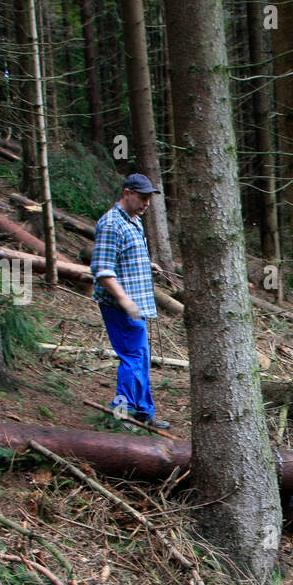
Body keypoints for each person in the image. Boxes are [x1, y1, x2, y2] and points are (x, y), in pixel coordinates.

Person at [90, 173, 170, 430]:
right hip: (120, 305)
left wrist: (147, 265)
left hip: (138, 303)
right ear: (127, 193)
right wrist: (124, 300)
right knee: (133, 358)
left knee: (142, 357)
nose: (147, 203)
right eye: (142, 198)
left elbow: (124, 256)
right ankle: (120, 414)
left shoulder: (134, 220)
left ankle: (144, 412)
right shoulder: (111, 224)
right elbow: (102, 270)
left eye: (149, 198)